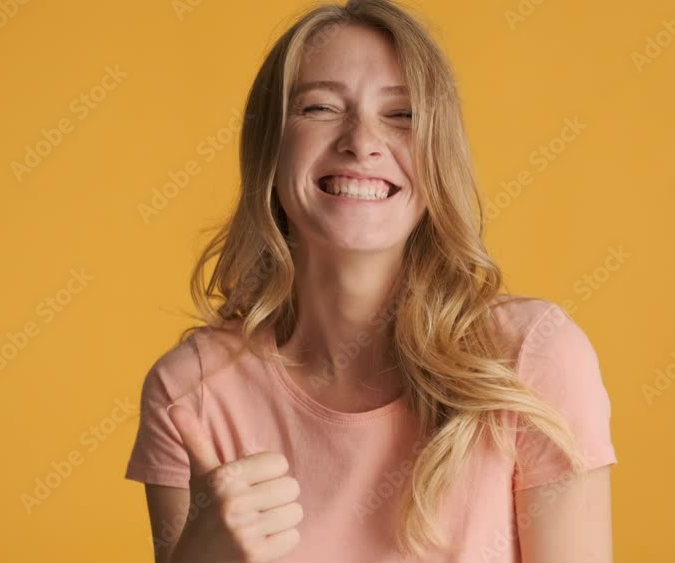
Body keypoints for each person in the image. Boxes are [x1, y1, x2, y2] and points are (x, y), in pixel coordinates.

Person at [123, 1, 616, 561]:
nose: (362, 141)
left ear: (439, 156)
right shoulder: (192, 390)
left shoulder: (531, 357)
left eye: (402, 115)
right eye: (320, 107)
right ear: (269, 148)